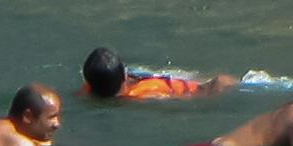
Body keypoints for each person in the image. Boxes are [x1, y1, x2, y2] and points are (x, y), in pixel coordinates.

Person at [81, 47, 218, 102]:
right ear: (125, 77)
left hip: (184, 84)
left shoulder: (90, 89)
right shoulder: (148, 94)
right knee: (222, 82)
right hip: (201, 88)